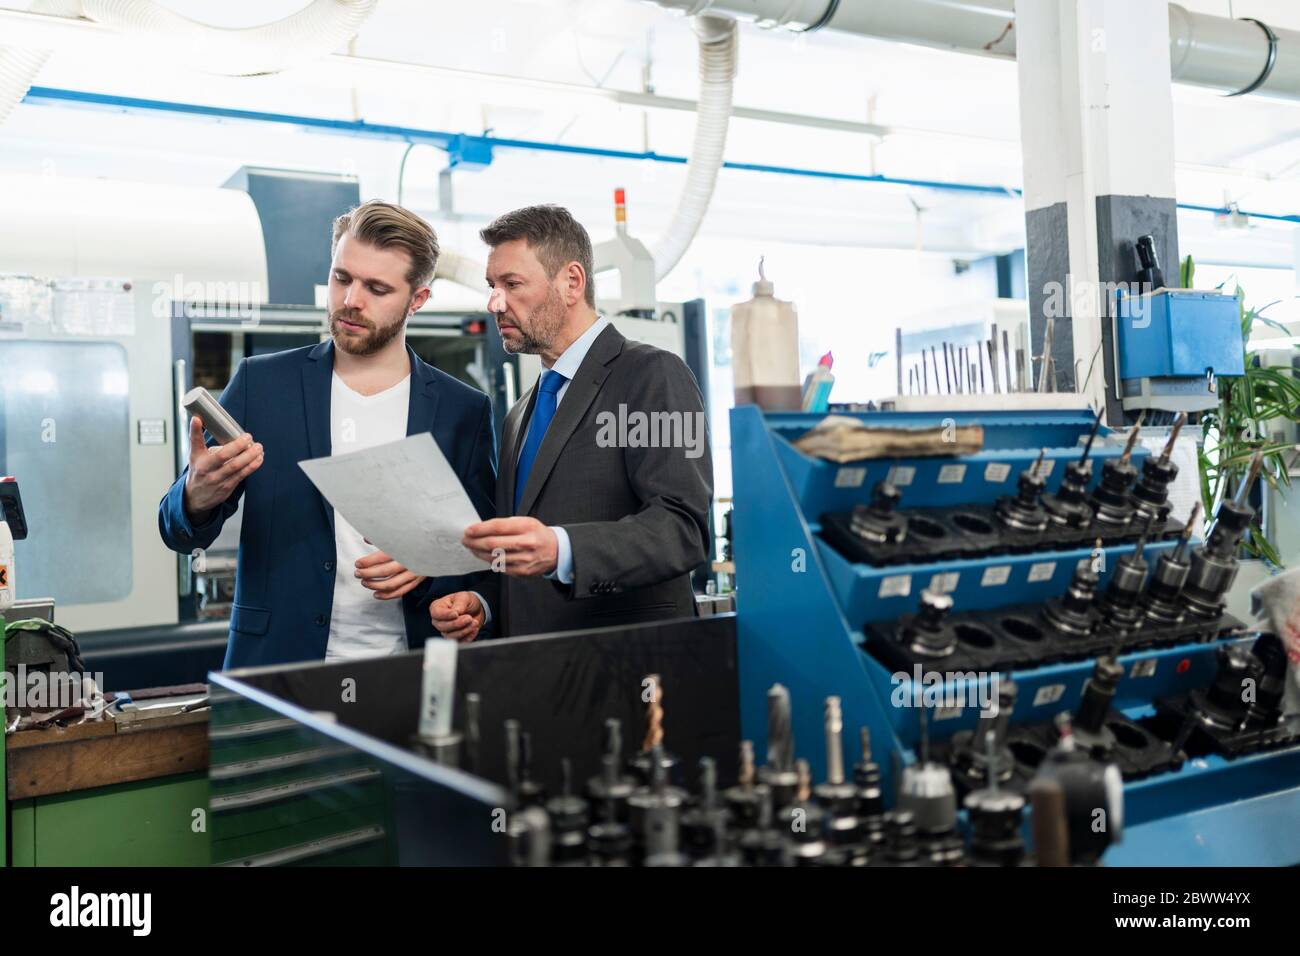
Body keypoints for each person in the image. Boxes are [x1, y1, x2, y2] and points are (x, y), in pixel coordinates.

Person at [159, 200, 496, 668]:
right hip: (279, 670)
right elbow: (174, 530)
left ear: (417, 300)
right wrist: (196, 494)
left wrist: (467, 600)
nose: (351, 300)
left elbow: (483, 551)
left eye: (377, 288)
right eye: (342, 278)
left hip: (410, 673)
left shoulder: (463, 411)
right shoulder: (262, 385)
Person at [429, 204, 712, 641]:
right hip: (536, 670)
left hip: (626, 664)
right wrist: (483, 605)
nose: (494, 303)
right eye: (491, 286)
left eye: (512, 284)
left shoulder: (652, 375)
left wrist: (563, 548)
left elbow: (682, 528)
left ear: (572, 282)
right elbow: (519, 554)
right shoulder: (519, 415)